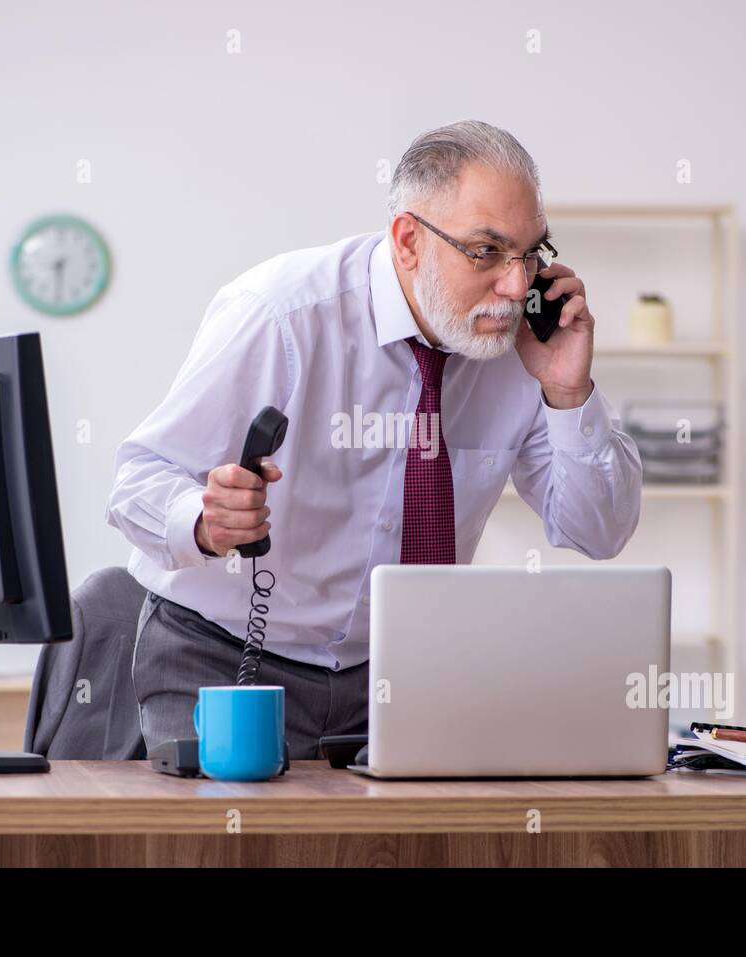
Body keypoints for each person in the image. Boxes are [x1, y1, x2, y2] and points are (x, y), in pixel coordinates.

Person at [106, 119, 643, 758]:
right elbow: (137, 478)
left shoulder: (522, 349)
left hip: (400, 674)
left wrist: (567, 391)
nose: (517, 285)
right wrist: (201, 518)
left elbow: (599, 531)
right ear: (409, 239)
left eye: (531, 253)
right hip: (223, 659)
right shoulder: (281, 314)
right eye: (486, 252)